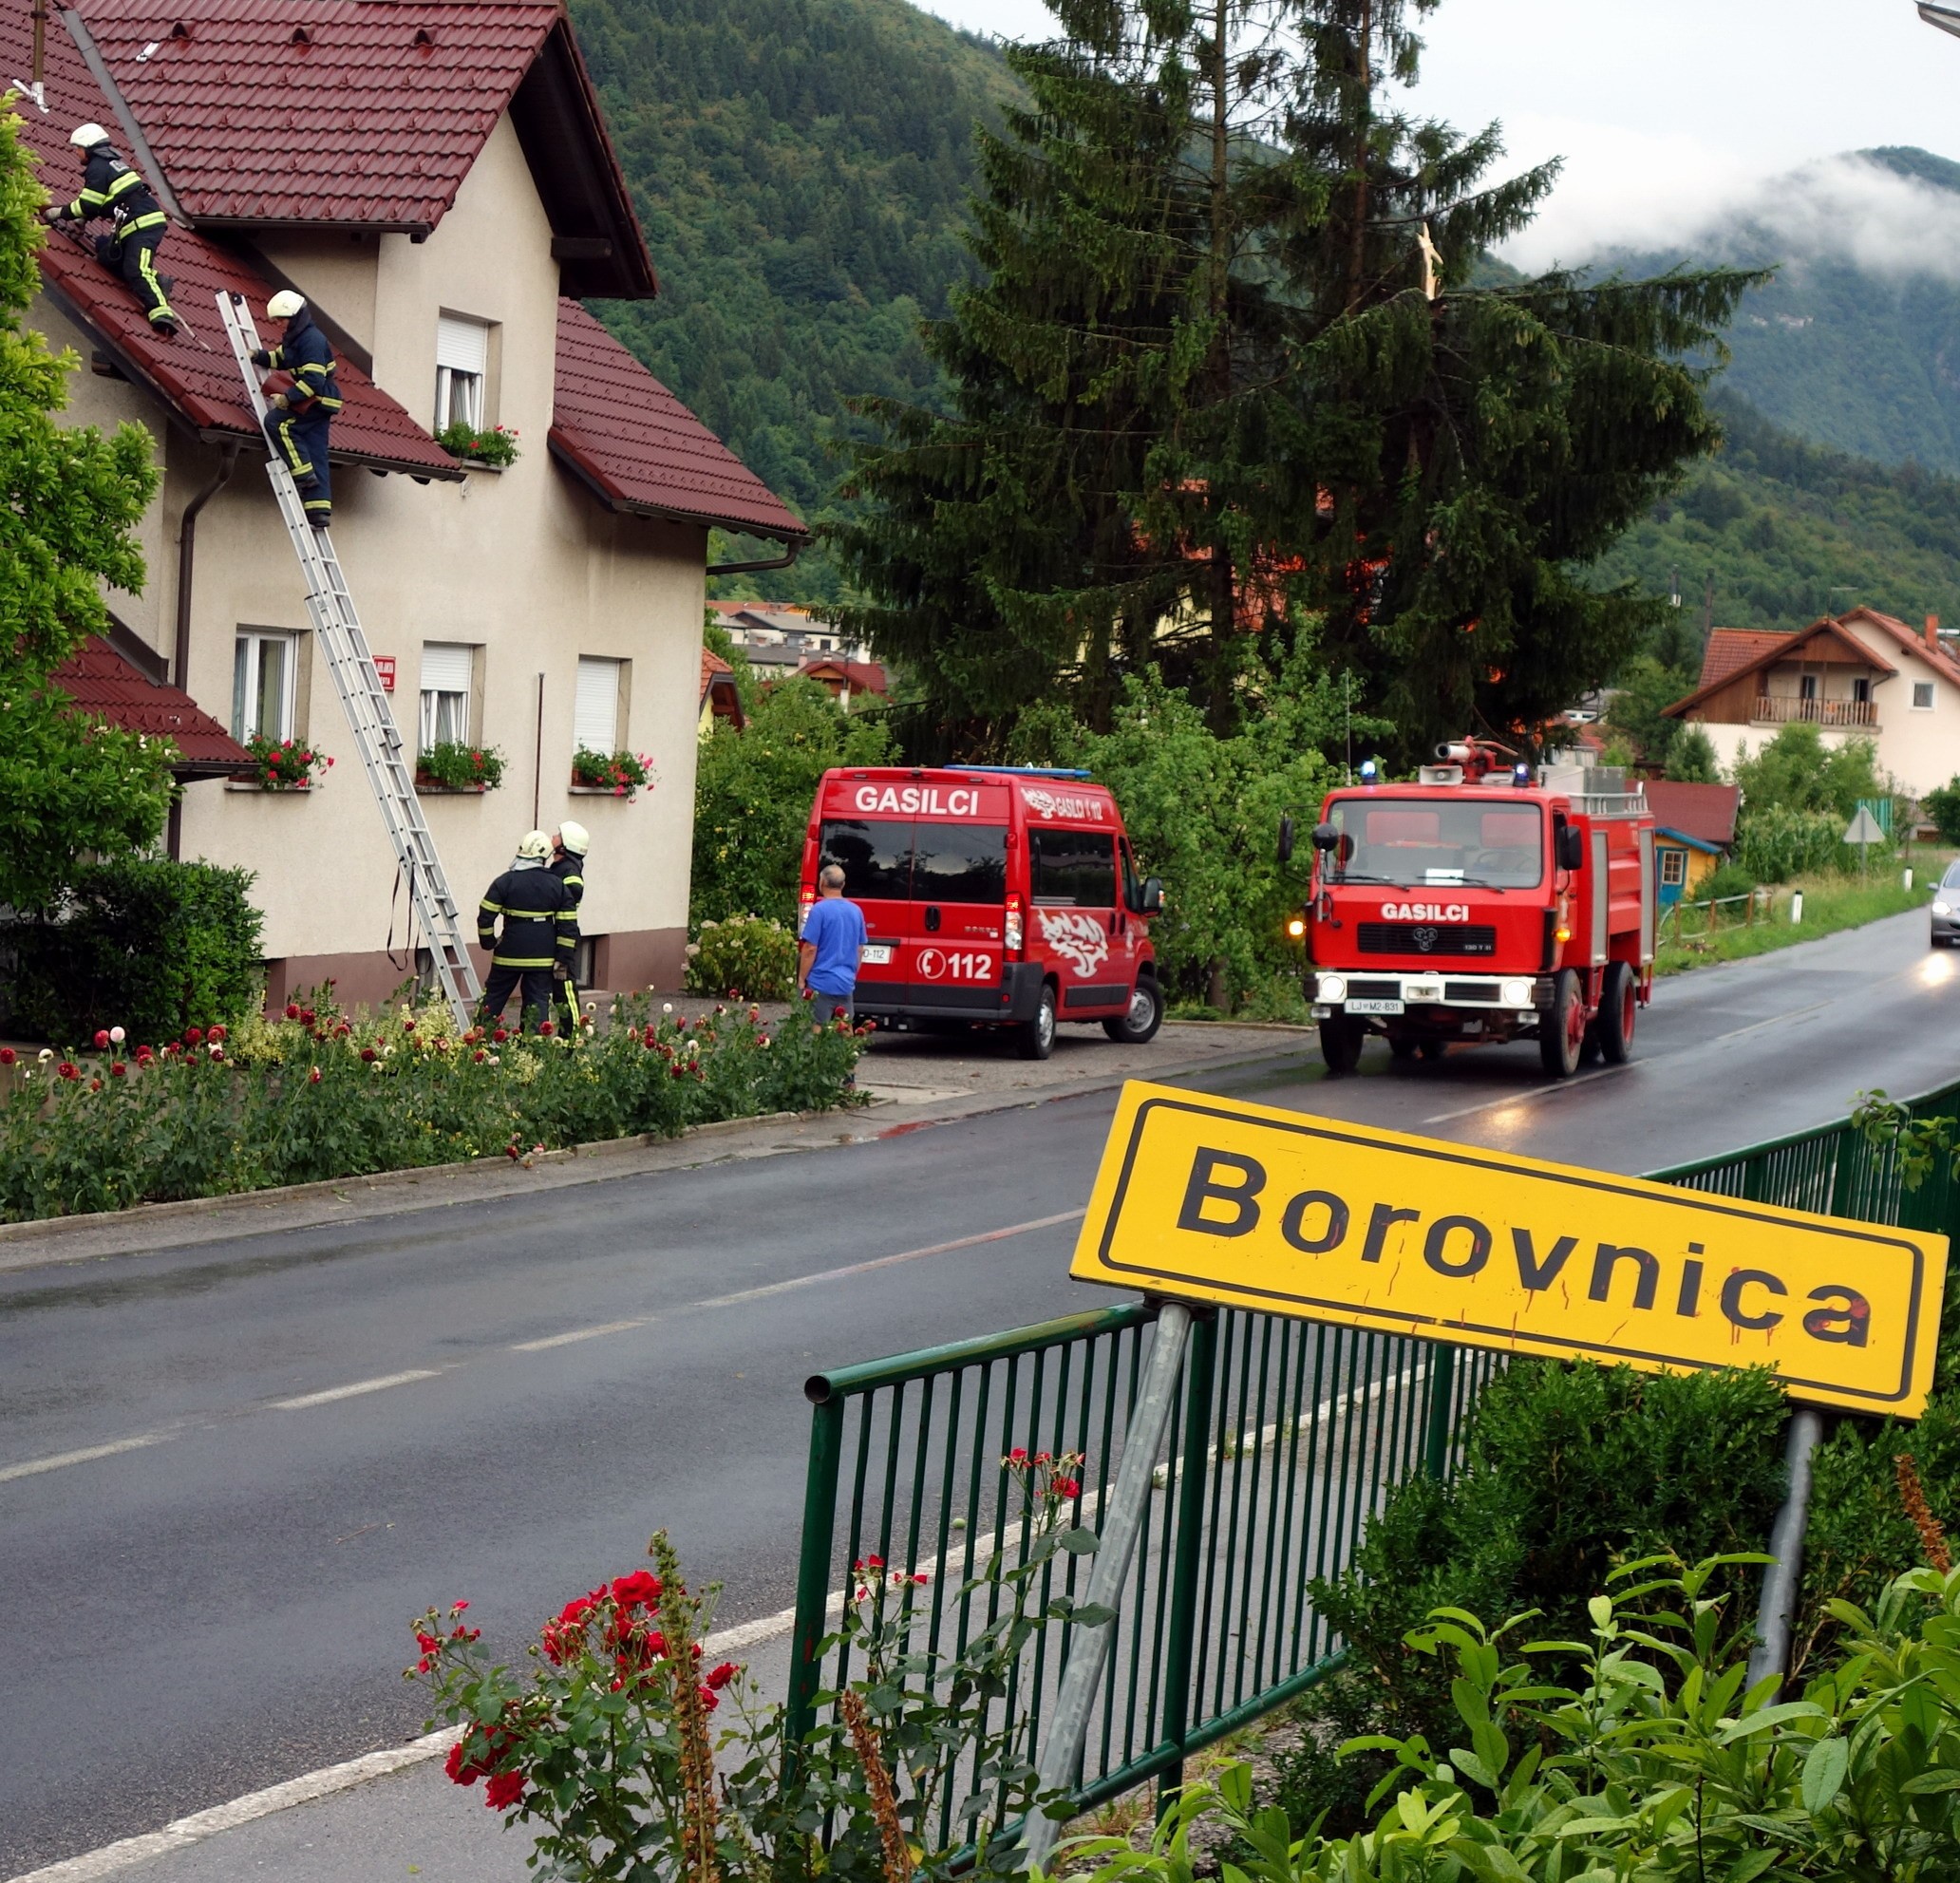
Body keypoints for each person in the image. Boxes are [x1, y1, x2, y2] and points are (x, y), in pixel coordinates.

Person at [43, 123, 177, 338]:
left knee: (136, 269)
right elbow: (101, 202)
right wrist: (82, 220)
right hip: (130, 226)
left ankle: (160, 312)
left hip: (145, 226)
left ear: (89, 147)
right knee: (106, 255)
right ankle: (158, 280)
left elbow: (87, 204)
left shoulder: (97, 167)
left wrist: (57, 213)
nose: (76, 152)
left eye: (78, 148)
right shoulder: (110, 164)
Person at [250, 291, 342, 529]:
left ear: (294, 316)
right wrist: (258, 356)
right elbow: (280, 359)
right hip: (318, 401)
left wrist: (288, 398)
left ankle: (302, 476)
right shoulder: (296, 337)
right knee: (316, 451)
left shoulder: (311, 340)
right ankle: (318, 512)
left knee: (276, 423)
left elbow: (314, 380)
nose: (277, 323)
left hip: (317, 399)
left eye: (280, 319)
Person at [477, 830, 578, 1033]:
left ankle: (478, 1041)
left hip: (508, 955)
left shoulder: (504, 882)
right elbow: (568, 926)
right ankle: (533, 1047)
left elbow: (485, 915)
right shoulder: (556, 885)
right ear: (544, 856)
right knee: (537, 1003)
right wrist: (562, 958)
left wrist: (488, 942)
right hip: (542, 958)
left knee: (493, 1000)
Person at [799, 862, 866, 1024]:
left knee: (816, 1027)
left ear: (822, 882)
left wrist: (802, 978)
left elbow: (810, 948)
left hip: (821, 982)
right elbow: (860, 949)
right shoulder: (856, 911)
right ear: (843, 884)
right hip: (846, 984)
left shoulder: (819, 910)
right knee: (845, 1028)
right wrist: (851, 975)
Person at [549, 820, 591, 1028]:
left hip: (563, 939)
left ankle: (572, 1035)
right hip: (554, 935)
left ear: (565, 846)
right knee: (554, 991)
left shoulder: (569, 871)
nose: (553, 837)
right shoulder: (559, 868)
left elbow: (573, 893)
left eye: (558, 835)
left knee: (564, 990)